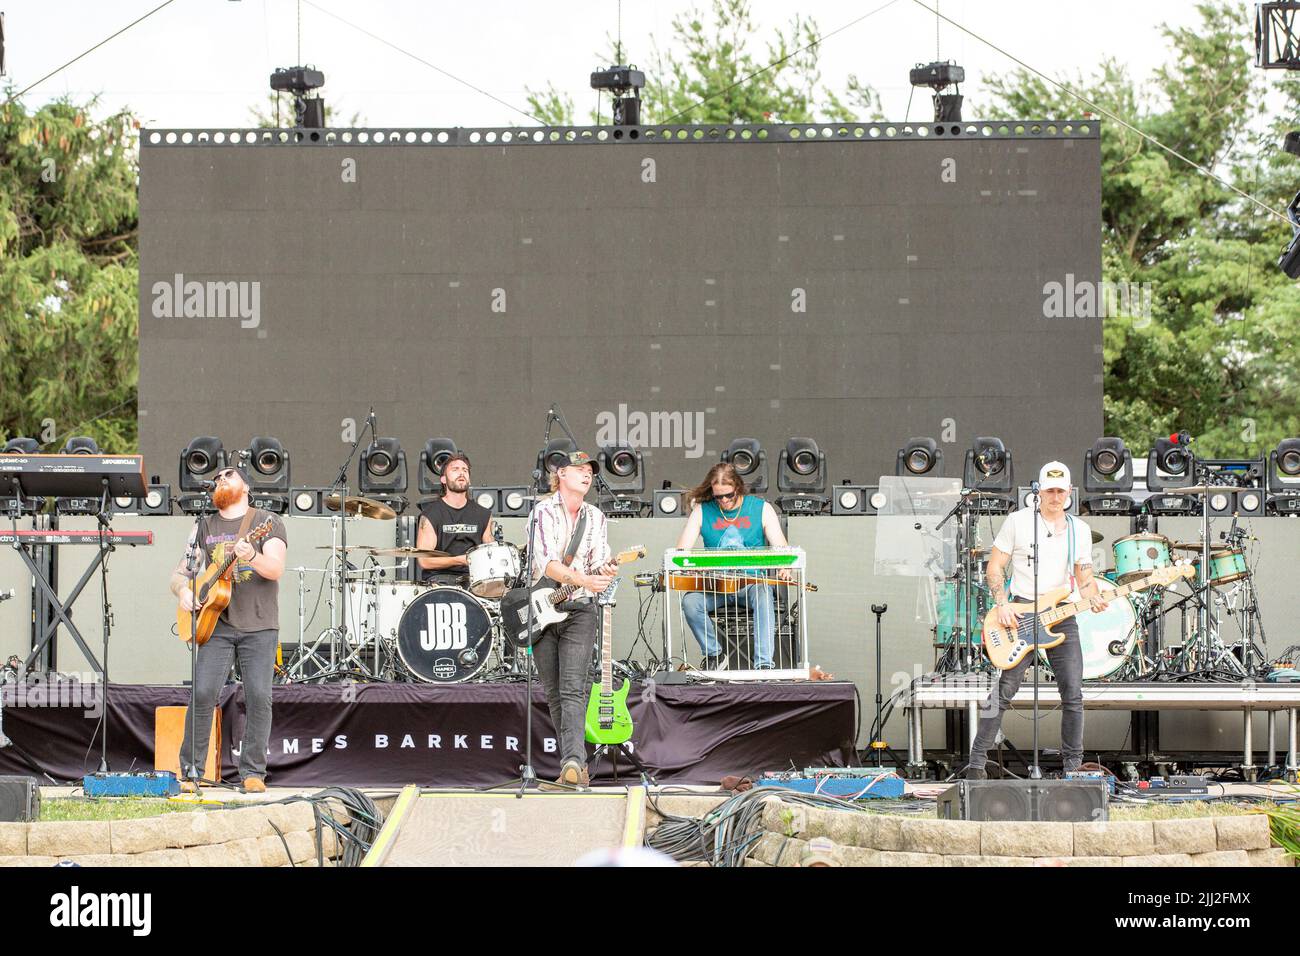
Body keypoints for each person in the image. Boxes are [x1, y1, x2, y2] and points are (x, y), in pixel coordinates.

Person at [967, 461, 1107, 778]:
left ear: (1069, 492)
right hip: (1020, 612)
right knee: (1003, 691)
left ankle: (1073, 767)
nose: (1056, 497)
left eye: (1061, 491)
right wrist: (1001, 603)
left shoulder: (1079, 530)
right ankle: (976, 764)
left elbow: (1084, 578)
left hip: (1060, 615)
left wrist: (1094, 597)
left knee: (1073, 693)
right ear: (1038, 492)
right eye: (1050, 491)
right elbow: (994, 567)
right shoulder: (1018, 522)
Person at [170, 465, 287, 793]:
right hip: (216, 624)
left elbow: (275, 568)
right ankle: (191, 770)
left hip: (259, 623)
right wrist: (183, 591)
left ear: (246, 485)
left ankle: (253, 772)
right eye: (218, 477)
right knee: (204, 692)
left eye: (229, 475)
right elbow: (180, 574)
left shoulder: (267, 522)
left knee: (259, 696)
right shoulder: (203, 526)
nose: (221, 480)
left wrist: (250, 556)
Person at [527, 451, 617, 787]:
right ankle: (573, 765)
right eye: (579, 470)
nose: (587, 475)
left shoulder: (596, 517)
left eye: (590, 472)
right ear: (560, 474)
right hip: (542, 605)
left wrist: (605, 574)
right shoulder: (542, 512)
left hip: (580, 608)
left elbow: (599, 561)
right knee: (553, 691)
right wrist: (583, 579)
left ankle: (573, 761)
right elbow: (547, 563)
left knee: (573, 687)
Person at [674, 462, 791, 671]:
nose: (724, 501)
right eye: (719, 496)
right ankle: (714, 654)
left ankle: (764, 665)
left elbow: (781, 547)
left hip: (750, 584)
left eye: (729, 495)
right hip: (717, 586)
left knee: (764, 593)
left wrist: (785, 566)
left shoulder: (761, 508)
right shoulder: (702, 511)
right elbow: (681, 551)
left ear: (738, 487)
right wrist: (685, 565)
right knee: (691, 602)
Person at [415, 453, 494, 587]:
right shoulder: (430, 514)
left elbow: (491, 553)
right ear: (443, 479)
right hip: (439, 581)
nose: (461, 473)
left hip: (474, 580)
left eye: (465, 470)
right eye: (455, 469)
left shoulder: (483, 514)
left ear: (469, 479)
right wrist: (459, 560)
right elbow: (424, 561)